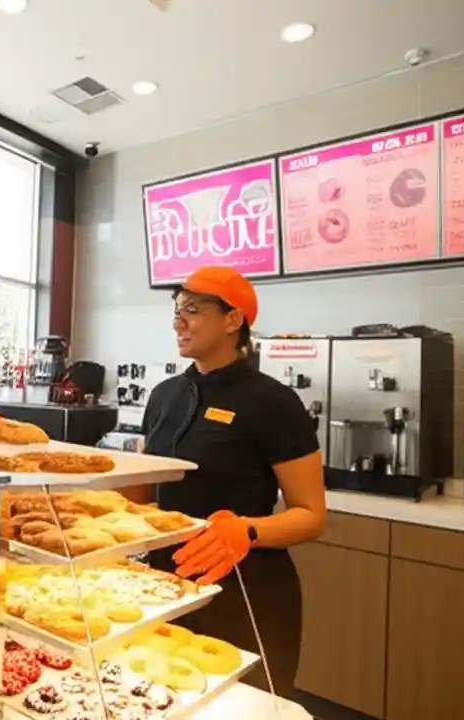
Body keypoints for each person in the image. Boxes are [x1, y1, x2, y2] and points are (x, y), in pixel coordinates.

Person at [140, 265, 327, 700]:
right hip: (168, 586)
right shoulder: (164, 395)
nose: (178, 321)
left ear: (232, 319)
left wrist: (244, 530)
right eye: (176, 310)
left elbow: (312, 517)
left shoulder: (273, 402)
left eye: (192, 309)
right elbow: (148, 494)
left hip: (245, 593)